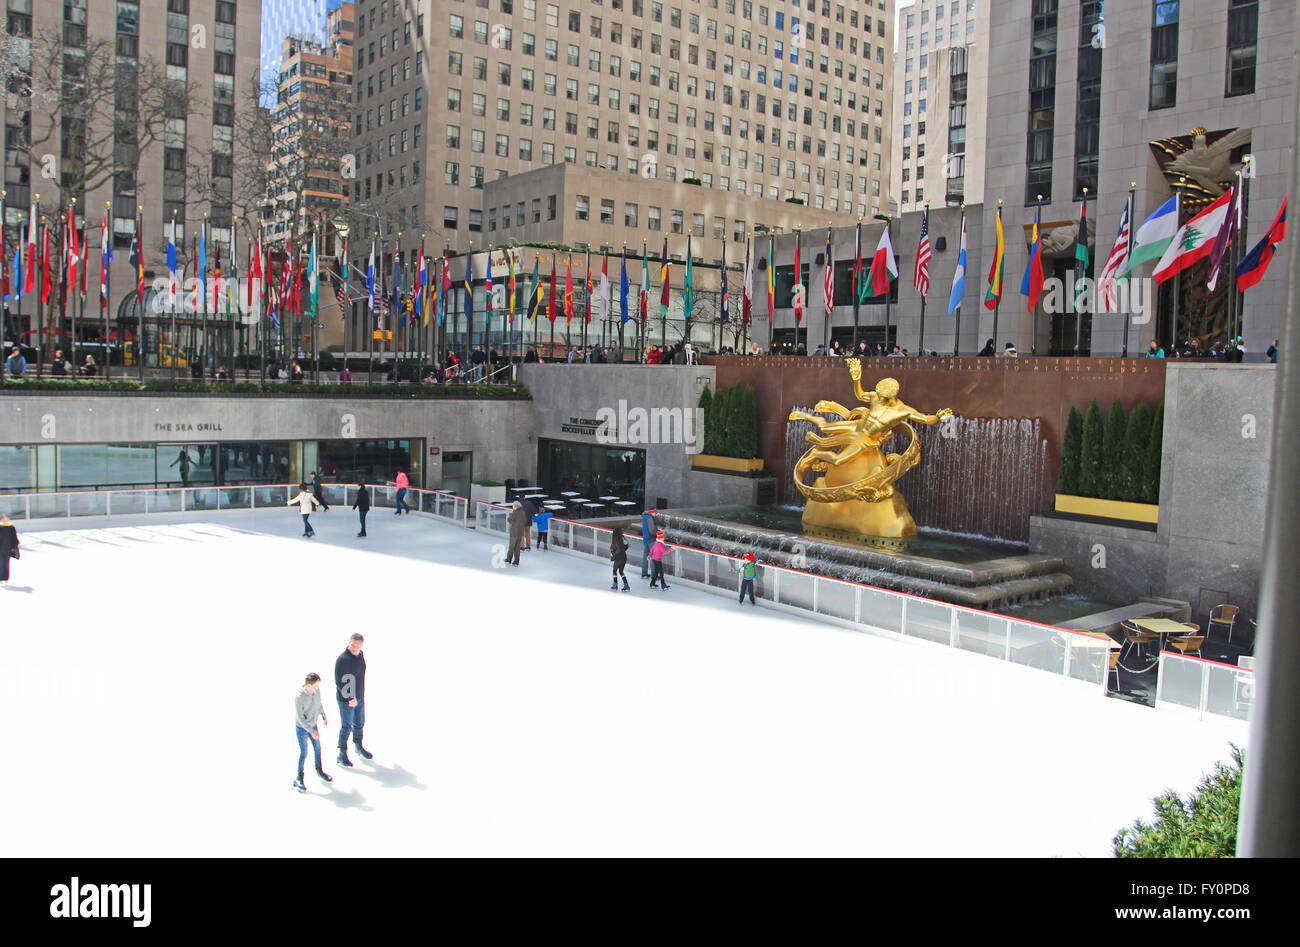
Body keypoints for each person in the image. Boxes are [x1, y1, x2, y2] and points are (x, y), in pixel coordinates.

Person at [335, 633, 373, 767]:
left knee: (359, 722)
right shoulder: (343, 659)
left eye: (357, 646)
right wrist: (350, 698)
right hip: (347, 700)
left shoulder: (360, 655)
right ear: (349, 643)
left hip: (359, 698)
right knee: (346, 727)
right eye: (353, 645)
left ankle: (358, 745)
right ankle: (341, 754)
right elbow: (340, 682)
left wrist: (359, 696)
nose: (354, 648)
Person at [293, 672, 332, 792]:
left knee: (318, 748)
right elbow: (300, 717)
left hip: (313, 726)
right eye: (315, 686)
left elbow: (318, 704)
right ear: (308, 686)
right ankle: (299, 778)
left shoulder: (317, 692)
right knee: (304, 752)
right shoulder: (299, 697)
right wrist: (311, 731)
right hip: (302, 728)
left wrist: (323, 716)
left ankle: (319, 770)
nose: (317, 688)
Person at [506, 500, 528, 566]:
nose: (512, 507)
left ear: (516, 506)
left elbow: (511, 521)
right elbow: (525, 521)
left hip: (514, 532)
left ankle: (508, 559)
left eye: (513, 506)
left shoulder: (514, 512)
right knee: (517, 548)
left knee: (511, 547)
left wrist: (508, 518)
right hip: (520, 532)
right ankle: (516, 561)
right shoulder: (523, 513)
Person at [609, 525, 630, 591]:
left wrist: (613, 554)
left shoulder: (615, 539)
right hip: (624, 557)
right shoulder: (623, 538)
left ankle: (615, 585)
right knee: (621, 571)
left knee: (614, 571)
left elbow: (617, 549)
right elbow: (627, 546)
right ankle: (626, 585)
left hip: (619, 558)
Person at [0, 514, 18, 585]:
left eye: (6, 519)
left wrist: (14, 547)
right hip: (0, 549)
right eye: (3, 519)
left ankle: (5, 578)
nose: (5, 520)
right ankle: (1, 578)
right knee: (1, 564)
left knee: (6, 564)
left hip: (7, 549)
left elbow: (14, 538)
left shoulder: (11, 528)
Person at [640, 507, 658, 579]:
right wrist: (658, 534)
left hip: (646, 539)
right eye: (654, 512)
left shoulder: (645, 518)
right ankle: (654, 575)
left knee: (645, 557)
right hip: (651, 540)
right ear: (651, 512)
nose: (655, 514)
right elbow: (651, 531)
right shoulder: (650, 519)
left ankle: (644, 573)